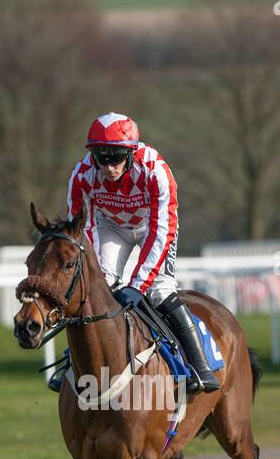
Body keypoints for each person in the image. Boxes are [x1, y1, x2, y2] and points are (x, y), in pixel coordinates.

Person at [47, 111, 219, 394]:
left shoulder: (155, 170)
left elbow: (161, 230)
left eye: (116, 157)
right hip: (111, 226)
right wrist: (99, 275)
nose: (109, 166)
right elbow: (83, 230)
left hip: (153, 226)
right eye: (101, 157)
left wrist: (138, 285)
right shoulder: (81, 176)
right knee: (94, 291)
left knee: (159, 291)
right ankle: (71, 361)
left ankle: (200, 368)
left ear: (131, 152)